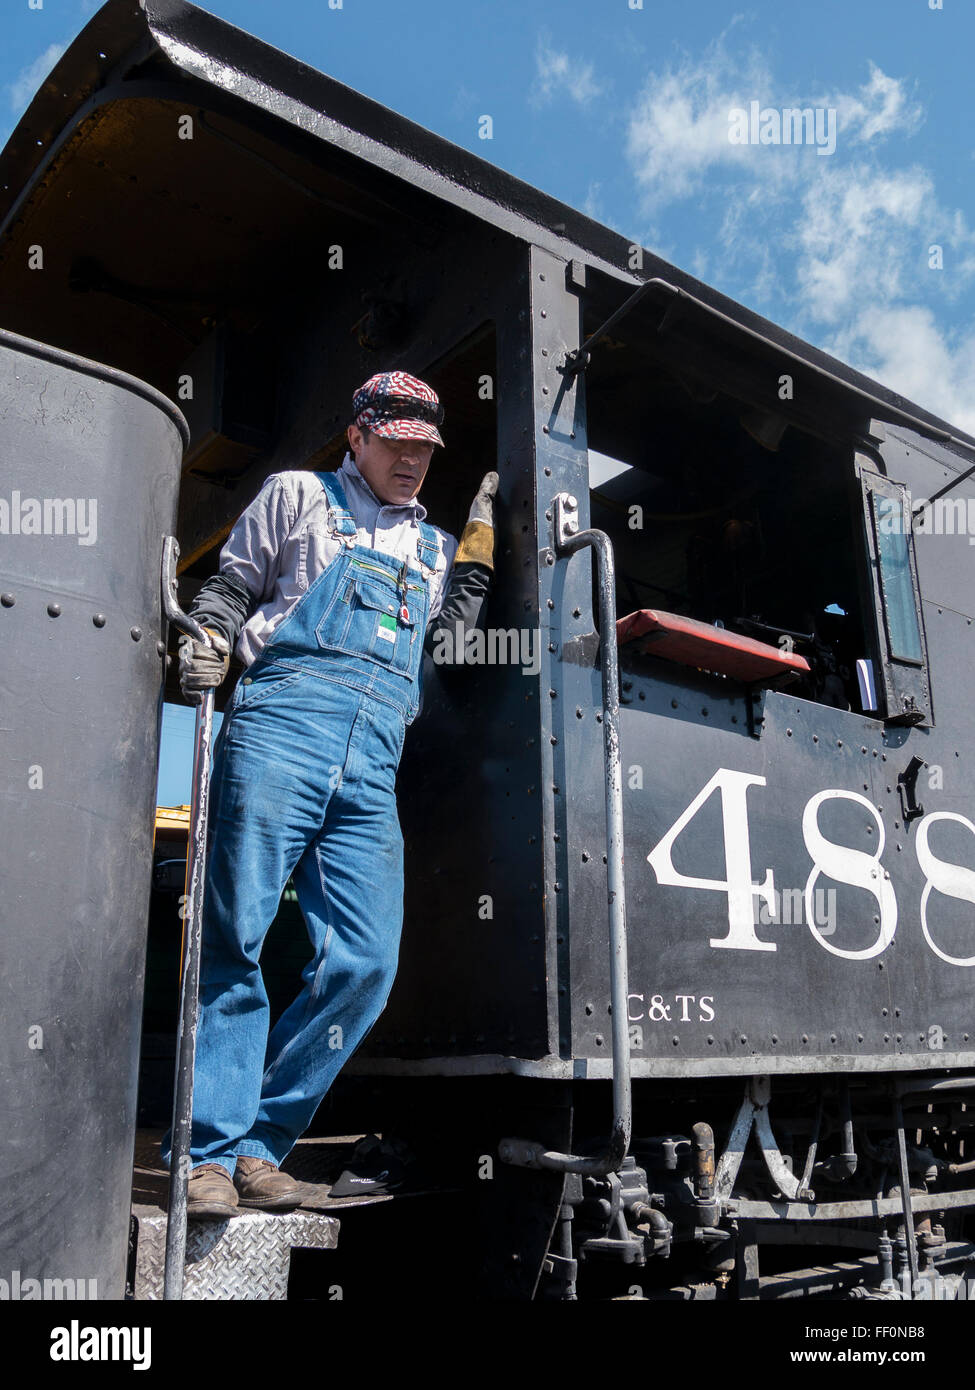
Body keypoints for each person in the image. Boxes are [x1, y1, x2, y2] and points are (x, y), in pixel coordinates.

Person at [163, 371, 497, 1217]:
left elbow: (450, 648)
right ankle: (202, 1153)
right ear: (356, 437)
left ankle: (257, 1148)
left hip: (375, 756)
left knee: (364, 962)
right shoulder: (296, 497)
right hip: (282, 724)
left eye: (424, 449)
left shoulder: (430, 547)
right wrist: (204, 637)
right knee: (233, 932)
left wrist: (479, 556)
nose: (411, 461)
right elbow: (233, 588)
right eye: (396, 444)